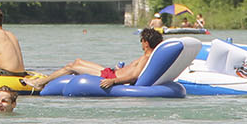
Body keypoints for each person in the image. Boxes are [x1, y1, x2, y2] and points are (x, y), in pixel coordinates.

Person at [23, 29, 164, 90]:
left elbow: (133, 76)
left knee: (71, 67)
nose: (141, 43)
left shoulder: (146, 58)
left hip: (110, 77)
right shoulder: (147, 57)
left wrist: (113, 81)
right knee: (77, 61)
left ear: (146, 42)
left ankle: (41, 82)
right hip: (112, 72)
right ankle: (43, 81)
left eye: (141, 41)